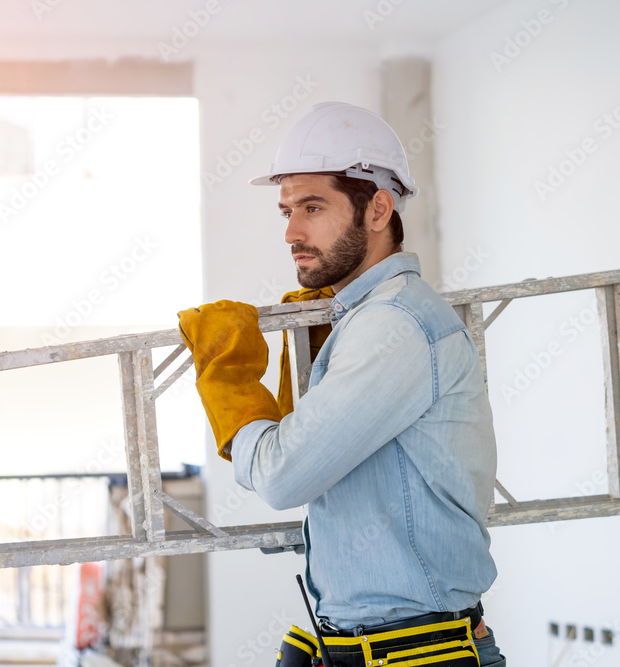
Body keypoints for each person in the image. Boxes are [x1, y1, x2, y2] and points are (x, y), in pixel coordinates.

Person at [178, 102, 504, 666]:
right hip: (366, 647)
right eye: (286, 211)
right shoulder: (363, 320)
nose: (291, 232)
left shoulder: (396, 325)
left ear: (378, 209)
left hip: (417, 655)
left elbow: (281, 476)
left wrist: (229, 377)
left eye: (312, 207)